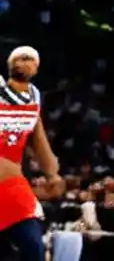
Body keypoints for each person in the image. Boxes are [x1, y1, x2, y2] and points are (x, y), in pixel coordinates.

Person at [0, 46, 59, 261]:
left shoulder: (34, 98)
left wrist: (52, 172)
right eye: (18, 59)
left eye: (28, 59)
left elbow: (38, 137)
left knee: (33, 245)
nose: (22, 63)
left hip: (12, 188)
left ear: (37, 67)